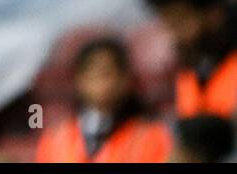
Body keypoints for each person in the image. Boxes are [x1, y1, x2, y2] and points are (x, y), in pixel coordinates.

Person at [35, 37, 172, 163]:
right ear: (78, 80)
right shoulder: (56, 138)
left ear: (125, 79)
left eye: (106, 74)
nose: (99, 84)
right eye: (91, 75)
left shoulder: (151, 135)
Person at [145, 0, 237, 121]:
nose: (174, 34)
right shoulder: (188, 76)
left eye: (181, 20)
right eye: (168, 24)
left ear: (213, 12)